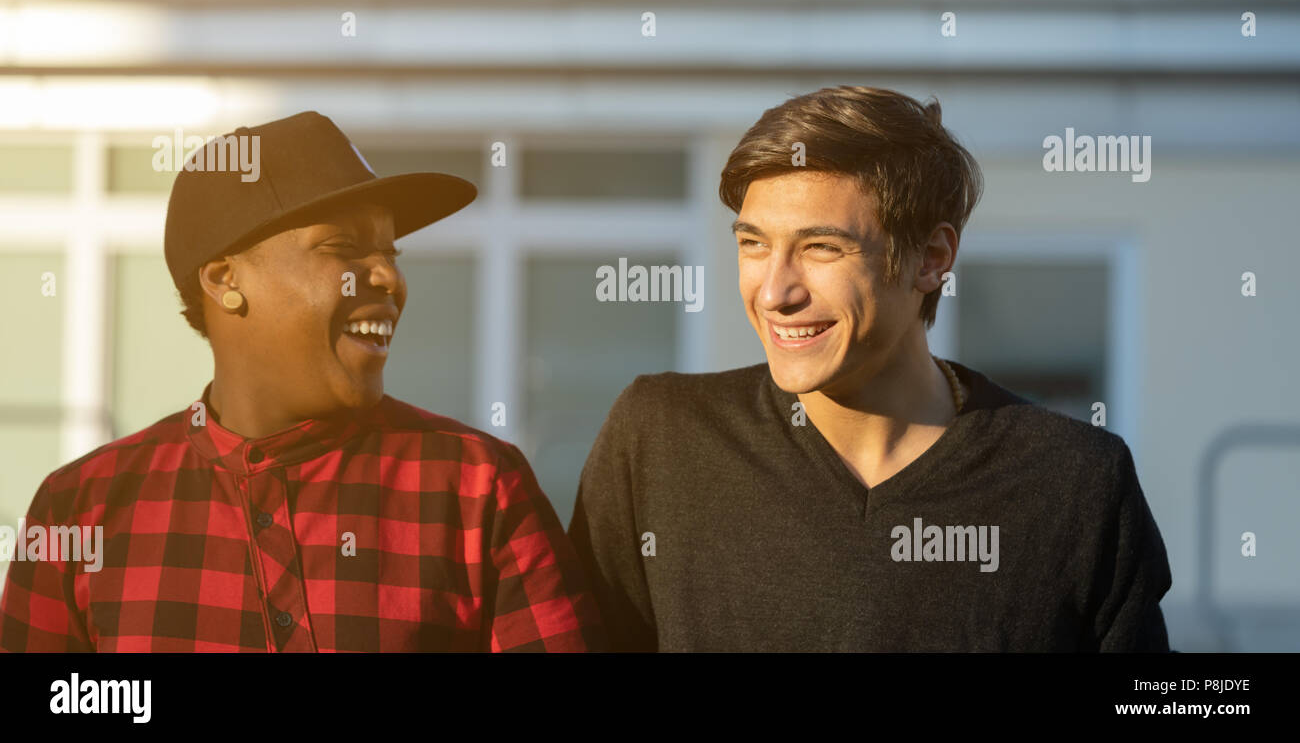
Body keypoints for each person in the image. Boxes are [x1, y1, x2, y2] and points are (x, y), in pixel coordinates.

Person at [567, 85, 1173, 651]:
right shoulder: (658, 440)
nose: (774, 291)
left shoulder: (1075, 484)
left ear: (932, 259)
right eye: (753, 243)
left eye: (820, 247)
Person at [0, 111, 602, 652]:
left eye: (391, 254)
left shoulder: (479, 489)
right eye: (342, 247)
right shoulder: (78, 512)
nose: (389, 279)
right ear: (222, 278)